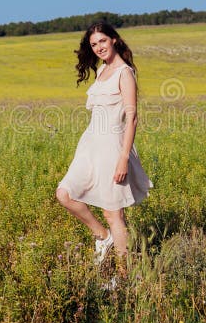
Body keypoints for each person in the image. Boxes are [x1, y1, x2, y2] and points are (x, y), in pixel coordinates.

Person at [56, 21, 153, 275]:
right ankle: (102, 236)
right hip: (89, 145)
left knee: (113, 215)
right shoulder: (101, 71)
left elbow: (131, 118)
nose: (98, 47)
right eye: (93, 44)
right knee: (64, 195)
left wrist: (123, 159)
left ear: (114, 40)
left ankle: (122, 276)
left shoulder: (125, 73)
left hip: (112, 147)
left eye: (102, 41)